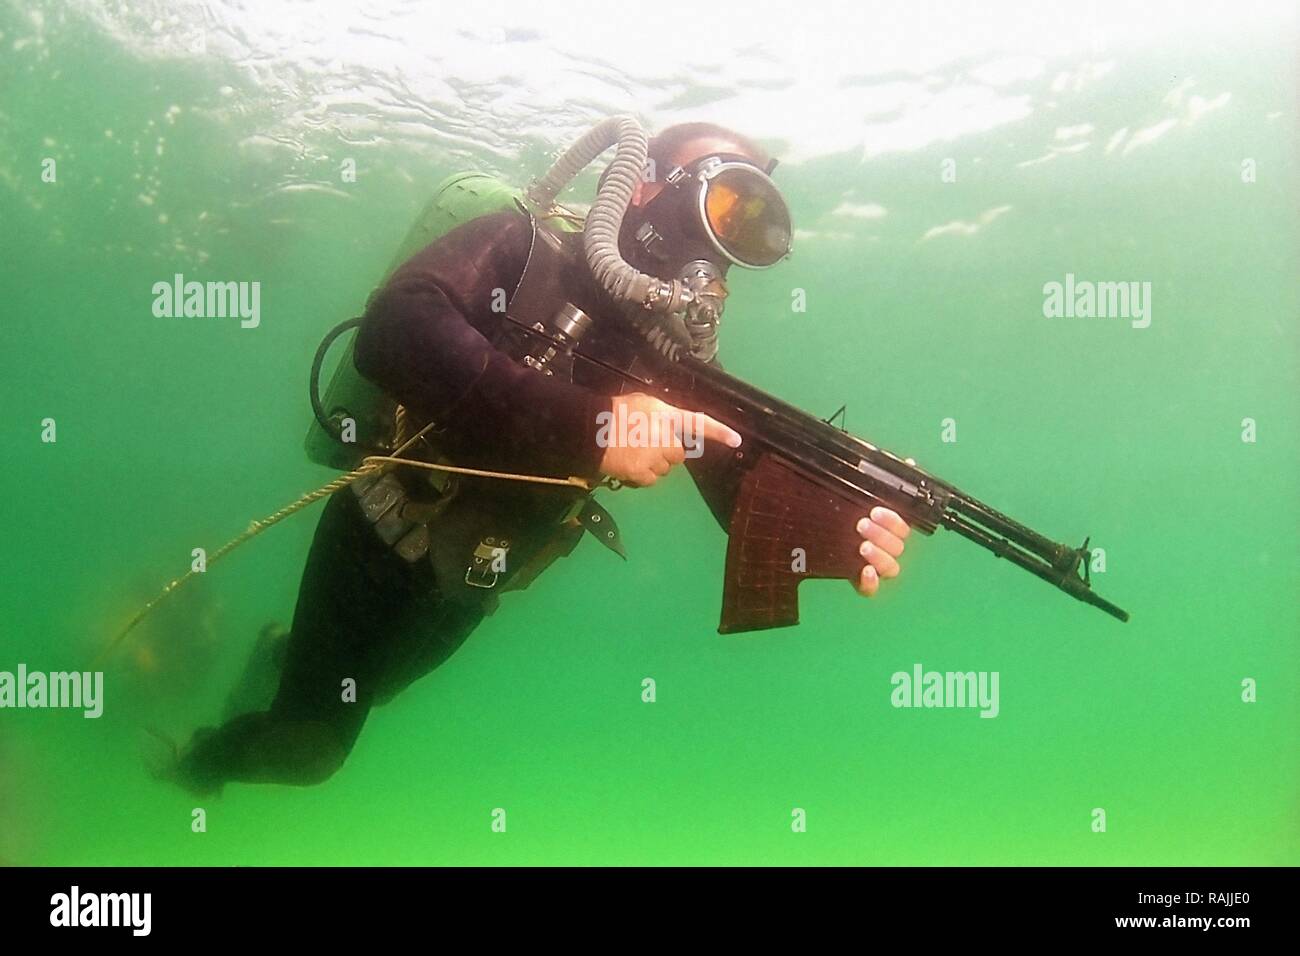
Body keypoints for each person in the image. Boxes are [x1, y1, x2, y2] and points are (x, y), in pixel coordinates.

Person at [159, 122, 911, 796]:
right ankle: (203, 761)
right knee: (309, 752)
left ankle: (282, 659)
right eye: (722, 202)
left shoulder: (669, 355)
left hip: (474, 587)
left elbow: (741, 477)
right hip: (375, 542)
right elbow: (396, 330)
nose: (720, 248)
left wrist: (834, 527)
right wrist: (596, 427)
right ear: (645, 184)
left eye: (748, 231)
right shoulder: (525, 248)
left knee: (373, 694)